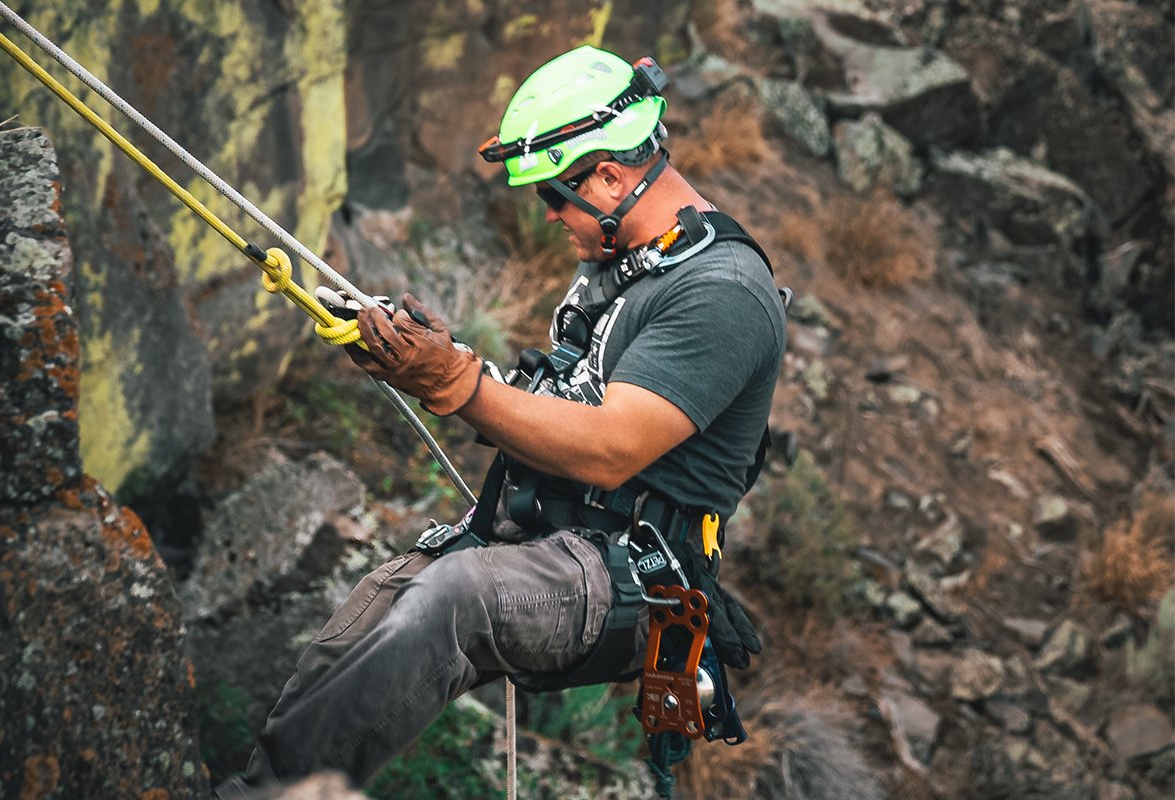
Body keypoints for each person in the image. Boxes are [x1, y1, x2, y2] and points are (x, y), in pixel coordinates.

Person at [214, 44, 787, 797]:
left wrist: (458, 384)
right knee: (381, 602)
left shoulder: (721, 291)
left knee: (456, 600)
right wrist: (430, 359)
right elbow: (565, 401)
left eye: (556, 196)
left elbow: (614, 448)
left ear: (609, 175)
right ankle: (267, 788)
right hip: (557, 540)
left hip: (629, 576)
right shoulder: (627, 266)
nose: (551, 217)